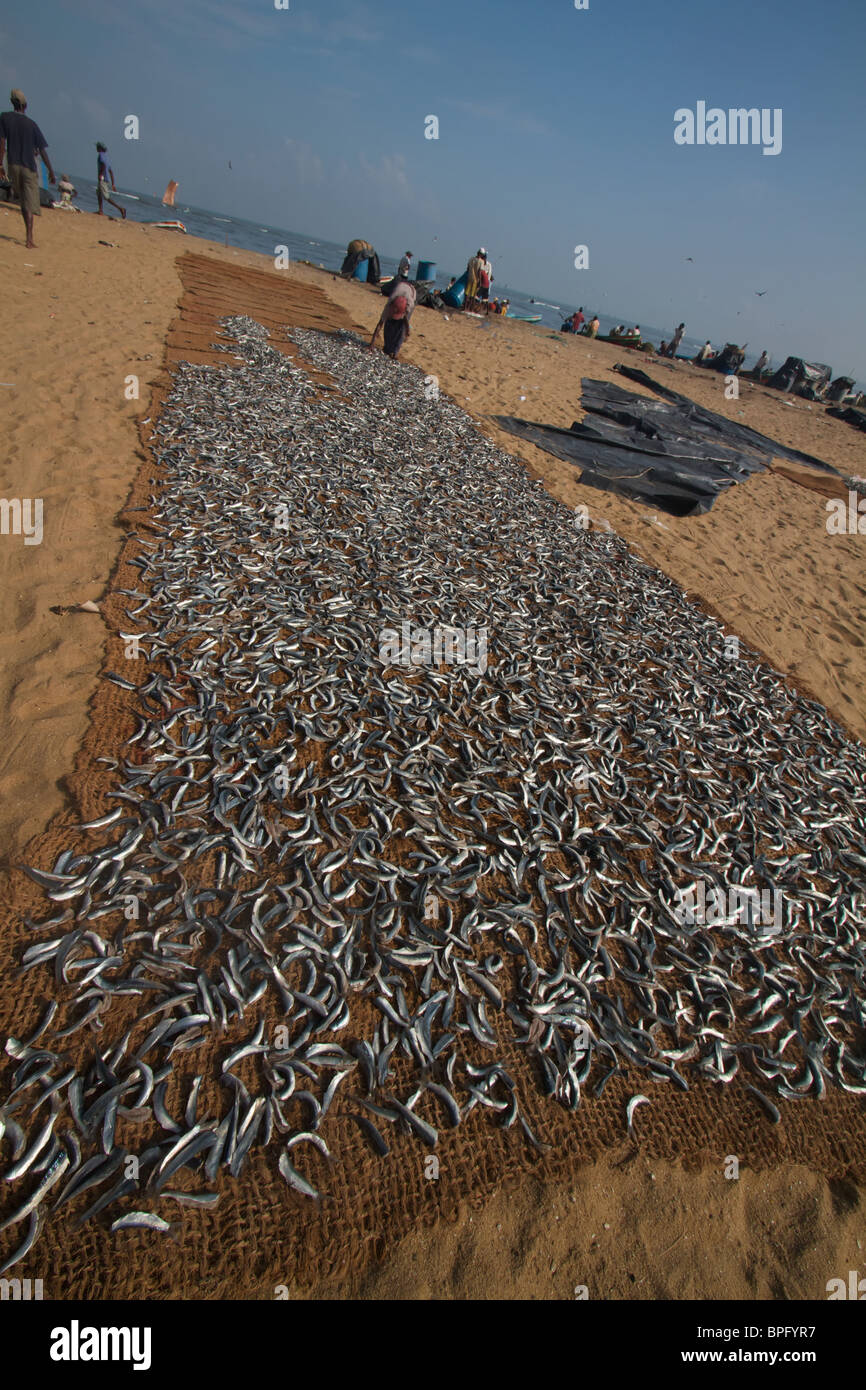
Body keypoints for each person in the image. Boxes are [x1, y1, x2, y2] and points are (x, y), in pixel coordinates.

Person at [0, 89, 55, 249]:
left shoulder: (4, 117)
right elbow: (42, 150)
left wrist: (0, 165)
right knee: (29, 203)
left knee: (23, 200)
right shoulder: (32, 125)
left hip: (12, 165)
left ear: (12, 103)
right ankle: (29, 239)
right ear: (26, 105)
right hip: (29, 168)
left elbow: (2, 144)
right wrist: (50, 171)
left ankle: (29, 237)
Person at [369, 279, 417, 361]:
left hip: (410, 291)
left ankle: (395, 351)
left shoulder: (409, 305)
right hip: (400, 290)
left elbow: (405, 321)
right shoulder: (389, 304)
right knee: (389, 323)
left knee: (401, 328)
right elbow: (380, 324)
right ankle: (387, 347)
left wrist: (407, 332)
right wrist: (372, 344)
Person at [96, 142, 126, 219]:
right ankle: (100, 210)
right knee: (99, 194)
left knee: (106, 197)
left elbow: (103, 165)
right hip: (105, 179)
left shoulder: (101, 155)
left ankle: (120, 209)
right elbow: (111, 171)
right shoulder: (106, 157)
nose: (96, 148)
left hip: (103, 179)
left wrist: (101, 175)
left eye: (97, 146)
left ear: (100, 148)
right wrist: (113, 184)